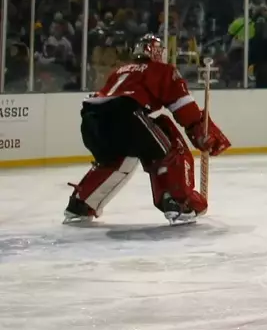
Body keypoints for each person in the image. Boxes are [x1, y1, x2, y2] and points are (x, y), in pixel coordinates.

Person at [64, 34, 231, 225]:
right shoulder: (162, 70)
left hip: (91, 119)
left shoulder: (121, 70)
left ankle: (80, 204)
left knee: (116, 161)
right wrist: (201, 131)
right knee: (171, 147)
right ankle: (178, 204)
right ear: (157, 52)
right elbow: (184, 108)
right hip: (127, 116)